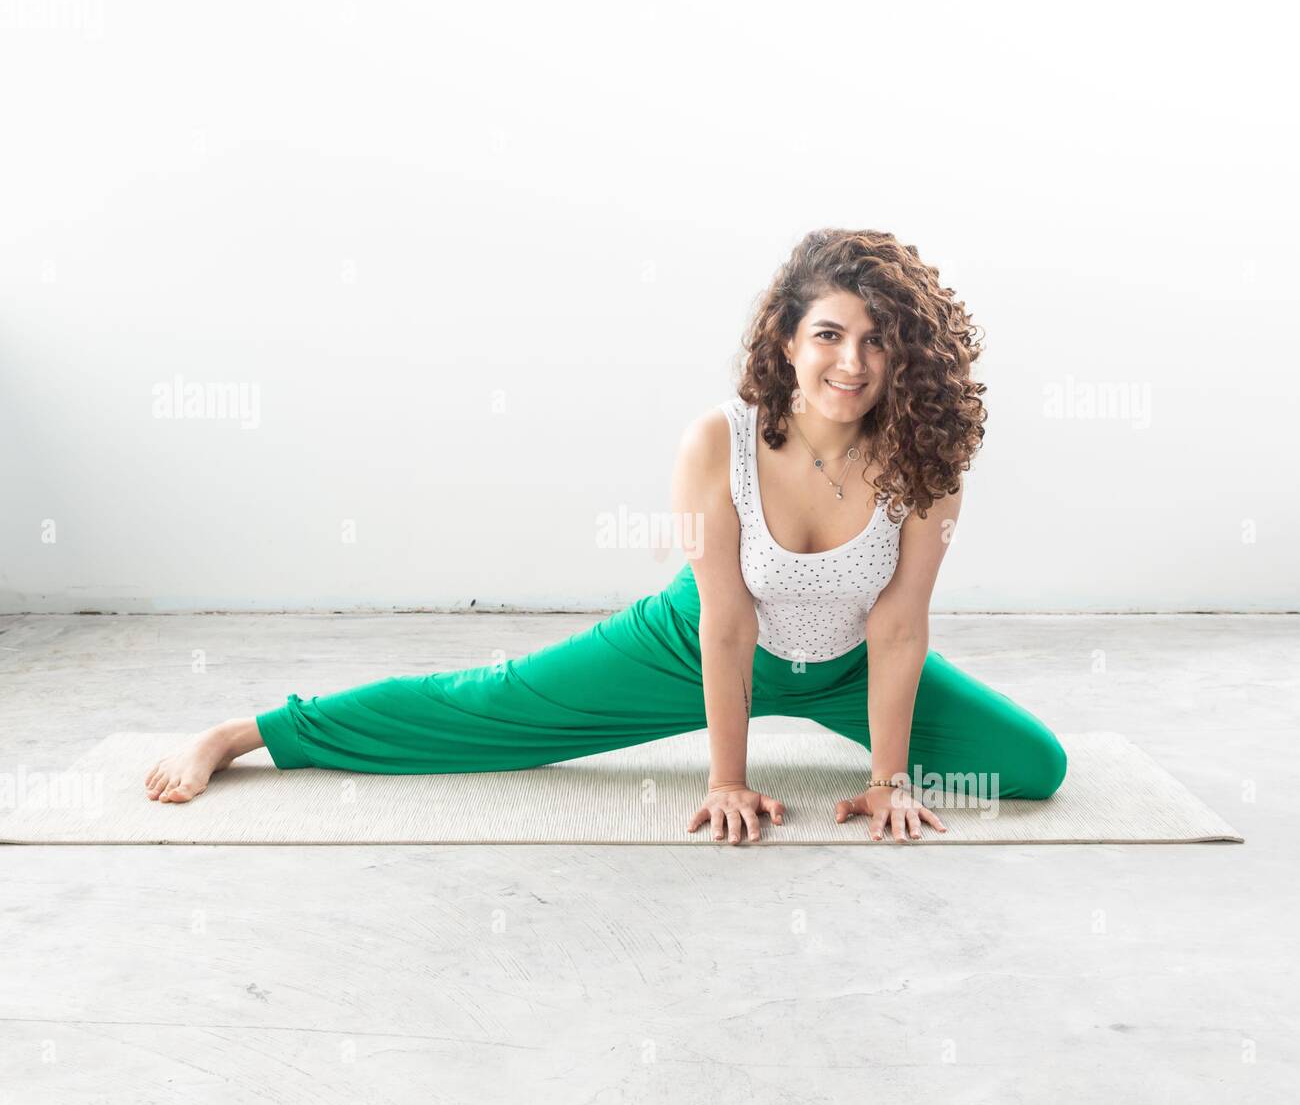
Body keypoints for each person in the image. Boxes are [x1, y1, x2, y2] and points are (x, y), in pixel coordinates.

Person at [143, 228, 1067, 844]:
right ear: (787, 341)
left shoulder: (928, 453)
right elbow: (728, 623)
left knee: (1032, 767)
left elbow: (901, 626)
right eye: (829, 334)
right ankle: (249, 732)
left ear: (905, 352)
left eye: (877, 340)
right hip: (690, 641)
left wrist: (891, 777)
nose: (852, 362)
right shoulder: (720, 442)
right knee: (492, 709)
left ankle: (877, 754)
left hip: (854, 663)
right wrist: (726, 780)